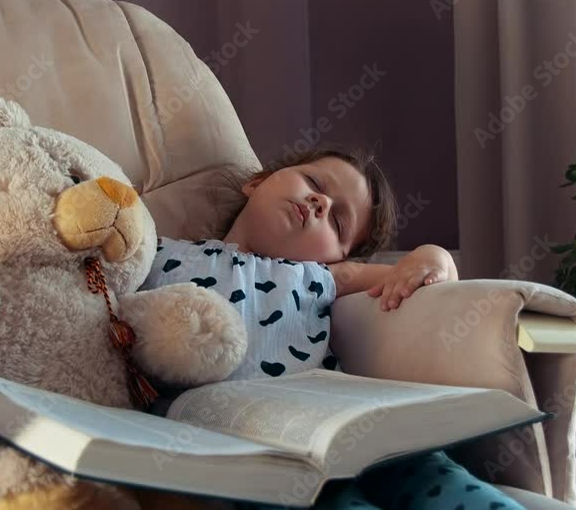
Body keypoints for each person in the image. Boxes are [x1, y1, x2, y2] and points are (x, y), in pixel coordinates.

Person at [142, 148, 523, 510]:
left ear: (337, 254)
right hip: (253, 456)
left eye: (338, 222)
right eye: (313, 182)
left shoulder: (320, 277)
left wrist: (433, 258)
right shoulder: (160, 252)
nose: (320, 203)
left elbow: (433, 276)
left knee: (438, 478)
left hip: (345, 430)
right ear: (258, 182)